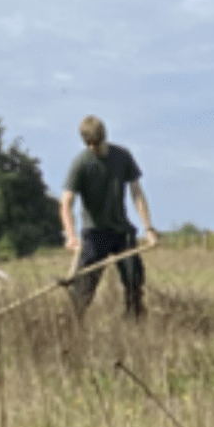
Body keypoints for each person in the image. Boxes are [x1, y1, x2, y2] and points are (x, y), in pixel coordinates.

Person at [60, 115, 158, 318]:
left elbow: (137, 193)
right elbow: (66, 203)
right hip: (94, 233)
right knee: (83, 290)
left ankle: (134, 323)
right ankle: (71, 327)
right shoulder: (81, 163)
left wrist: (148, 229)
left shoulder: (122, 157)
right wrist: (71, 236)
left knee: (134, 280)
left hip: (121, 231)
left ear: (105, 136)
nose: (95, 149)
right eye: (90, 145)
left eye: (97, 143)